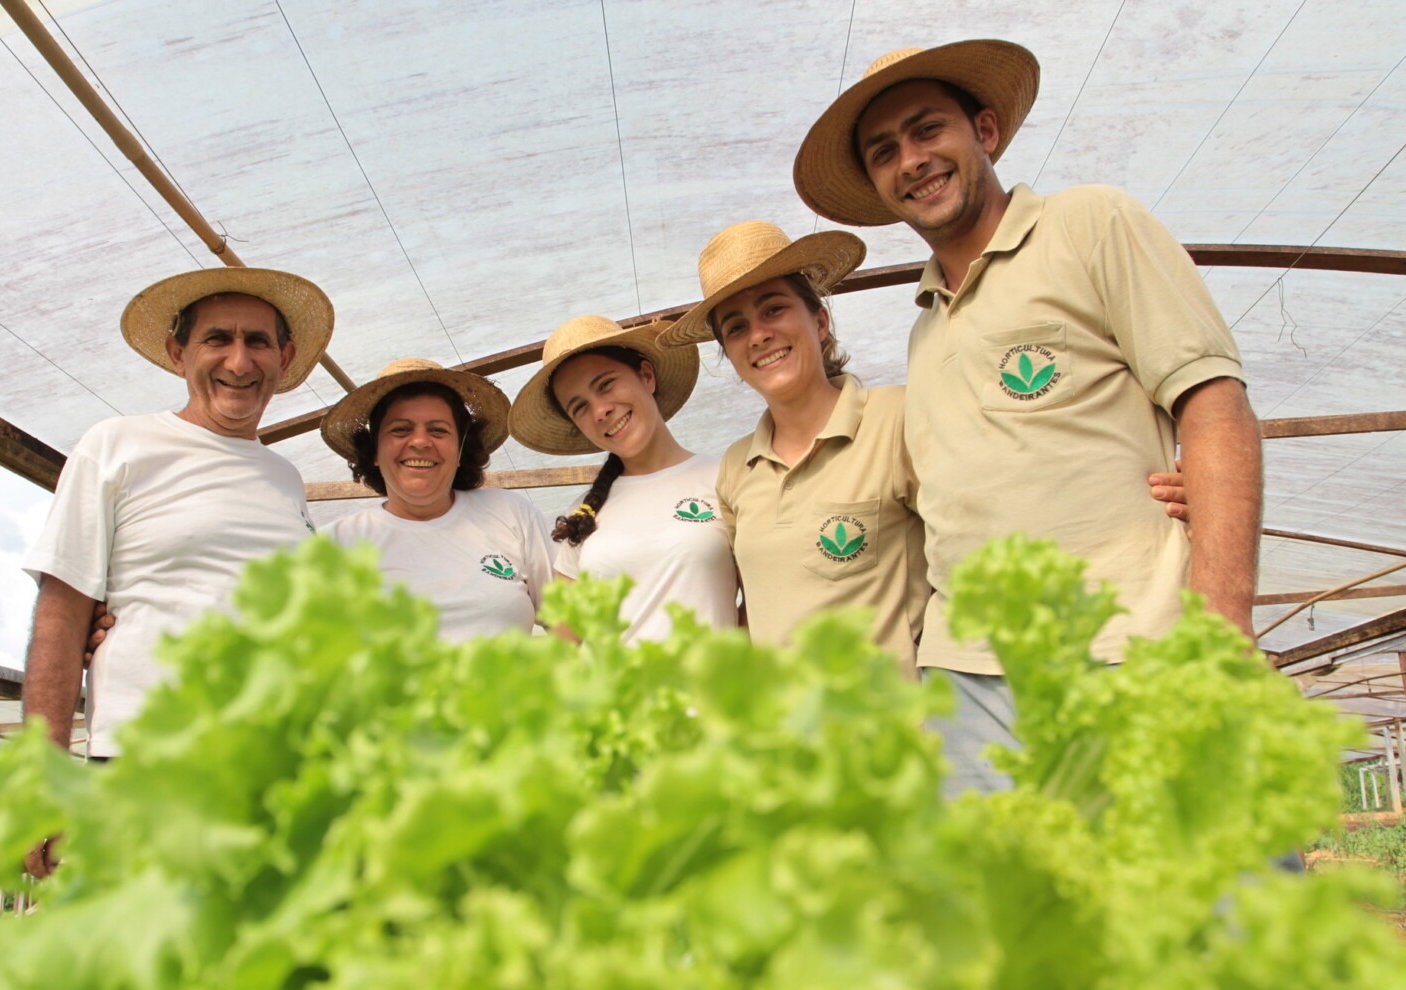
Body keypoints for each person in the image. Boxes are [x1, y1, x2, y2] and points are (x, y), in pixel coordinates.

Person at [792, 40, 1263, 780]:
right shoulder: (924, 329)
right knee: (1014, 897)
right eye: (884, 151)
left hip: (1128, 642)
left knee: (1209, 885)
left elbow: (1213, 401)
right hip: (970, 682)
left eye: (926, 130)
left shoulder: (1090, 225)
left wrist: (1222, 626)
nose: (910, 160)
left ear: (984, 131)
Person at [21, 267, 331, 873]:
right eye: (218, 339)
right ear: (178, 352)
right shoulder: (117, 445)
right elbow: (61, 616)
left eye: (258, 342)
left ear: (285, 358)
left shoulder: (284, 479)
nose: (239, 362)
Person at [660, 221, 929, 670]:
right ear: (731, 356)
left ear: (820, 321)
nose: (759, 335)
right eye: (736, 327)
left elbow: (965, 557)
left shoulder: (898, 418)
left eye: (774, 309)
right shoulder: (736, 467)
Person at [507, 314, 737, 644]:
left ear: (646, 376)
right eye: (580, 407)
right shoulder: (582, 514)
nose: (600, 410)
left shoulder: (726, 478)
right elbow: (566, 638)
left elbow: (761, 603)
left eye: (606, 385)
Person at [320, 359, 551, 642]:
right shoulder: (335, 545)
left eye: (438, 430)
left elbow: (569, 620)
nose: (420, 442)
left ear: (460, 449)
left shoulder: (511, 513)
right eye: (400, 429)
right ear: (374, 453)